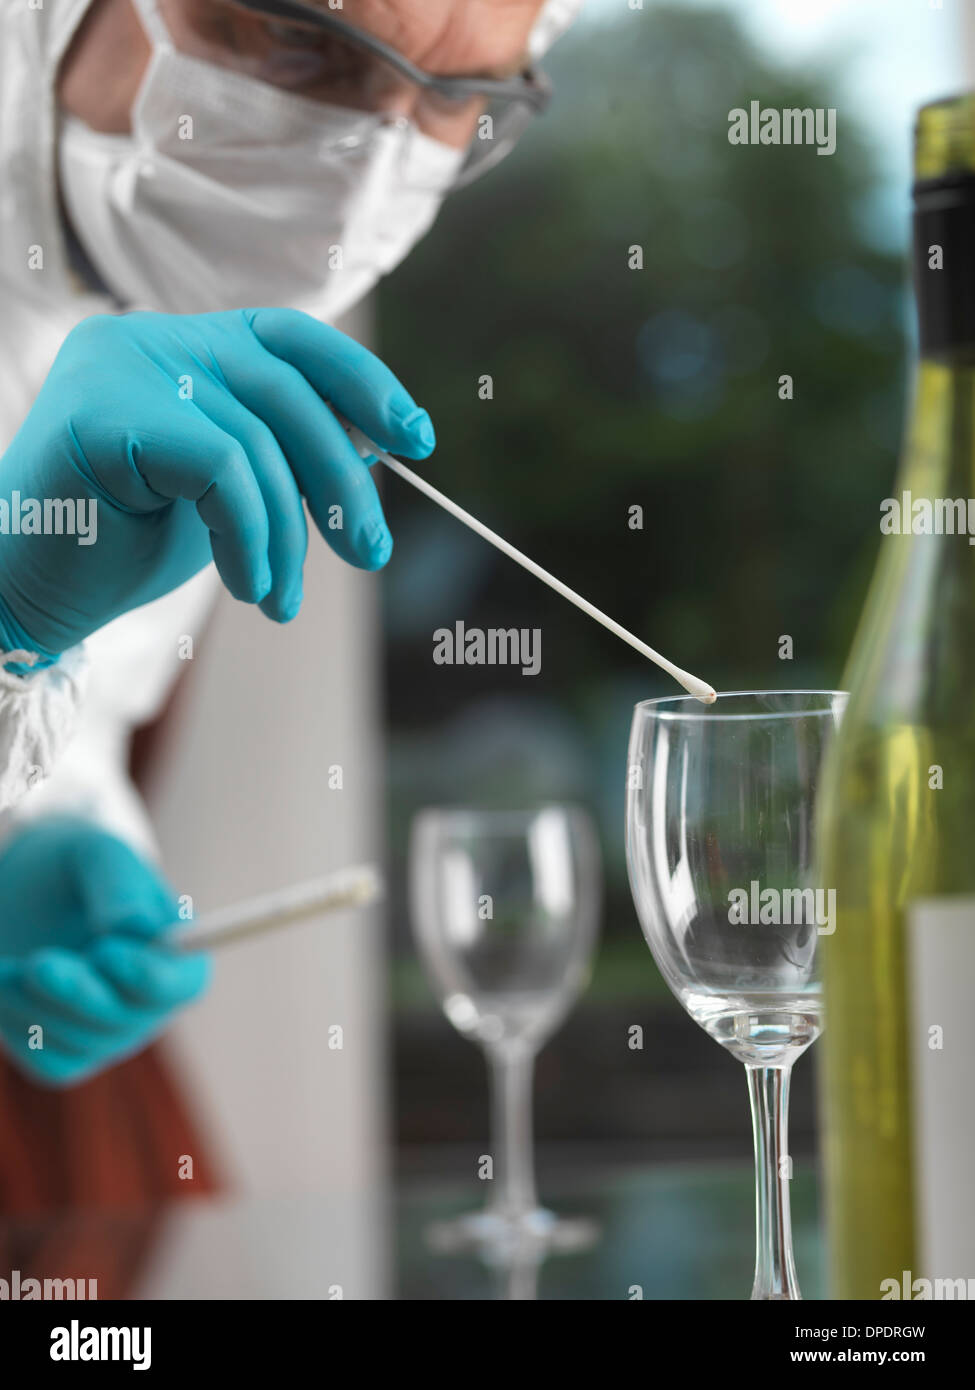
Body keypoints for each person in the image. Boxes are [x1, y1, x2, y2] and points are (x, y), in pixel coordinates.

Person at [0, 0, 582, 1087]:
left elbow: (66, 699)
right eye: (301, 40)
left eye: (457, 95)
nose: (359, 183)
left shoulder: (184, 332)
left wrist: (48, 818)